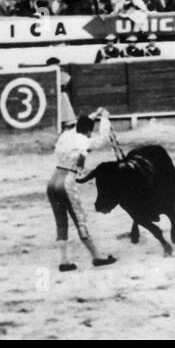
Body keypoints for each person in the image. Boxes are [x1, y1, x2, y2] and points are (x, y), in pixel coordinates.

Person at [47, 111, 117, 272]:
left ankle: (64, 261)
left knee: (61, 222)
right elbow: (103, 138)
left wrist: (95, 114)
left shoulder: (66, 135)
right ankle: (97, 257)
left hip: (52, 182)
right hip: (66, 182)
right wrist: (104, 117)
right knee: (80, 220)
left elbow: (81, 124)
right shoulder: (86, 140)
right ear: (88, 131)